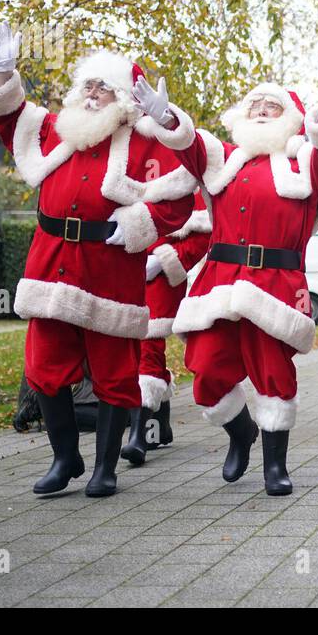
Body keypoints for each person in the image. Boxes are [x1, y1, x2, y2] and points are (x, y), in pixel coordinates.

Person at [0, 23, 197, 497]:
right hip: (51, 265)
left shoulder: (144, 141)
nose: (94, 93)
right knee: (43, 369)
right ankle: (65, 458)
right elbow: (10, 118)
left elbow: (179, 195)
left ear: (124, 99)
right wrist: (3, 71)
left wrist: (139, 223)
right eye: (89, 85)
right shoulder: (60, 127)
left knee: (116, 376)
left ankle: (106, 468)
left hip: (109, 270)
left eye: (105, 87)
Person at [171, 81, 318, 496]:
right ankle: (240, 432)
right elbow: (190, 147)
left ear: (291, 117)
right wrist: (167, 118)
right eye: (256, 105)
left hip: (275, 285)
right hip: (221, 283)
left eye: (273, 105)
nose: (263, 110)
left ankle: (275, 466)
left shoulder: (303, 162)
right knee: (207, 370)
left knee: (273, 372)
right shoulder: (225, 160)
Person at [121, 189, 212, 466]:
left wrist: (163, 260)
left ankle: (137, 437)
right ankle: (159, 427)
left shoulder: (181, 172)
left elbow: (203, 233)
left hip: (159, 274)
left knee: (148, 343)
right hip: (121, 267)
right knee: (128, 349)